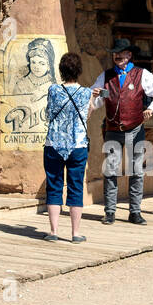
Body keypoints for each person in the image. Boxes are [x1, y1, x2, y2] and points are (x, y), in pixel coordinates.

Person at [96, 38, 153, 225]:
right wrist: (95, 96)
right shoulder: (105, 77)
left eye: (121, 53)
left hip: (135, 130)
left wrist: (152, 108)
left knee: (136, 171)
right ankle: (110, 212)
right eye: (115, 54)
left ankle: (135, 212)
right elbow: (95, 99)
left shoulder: (141, 75)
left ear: (129, 55)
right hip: (112, 130)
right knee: (111, 171)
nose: (117, 56)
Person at [42, 52, 97, 242]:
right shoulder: (87, 92)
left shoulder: (53, 90)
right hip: (78, 144)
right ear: (79, 70)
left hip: (54, 144)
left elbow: (49, 114)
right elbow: (87, 116)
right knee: (76, 187)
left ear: (61, 70)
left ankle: (54, 231)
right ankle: (75, 233)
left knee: (54, 186)